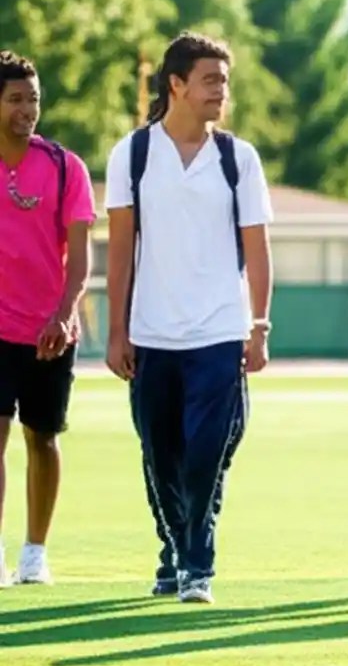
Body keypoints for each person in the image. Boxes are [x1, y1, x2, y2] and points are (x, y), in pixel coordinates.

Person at [104, 32, 274, 604]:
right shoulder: (130, 154)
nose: (220, 91)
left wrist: (260, 325)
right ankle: (174, 549)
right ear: (176, 84)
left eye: (224, 81)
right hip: (152, 333)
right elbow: (122, 249)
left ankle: (196, 562)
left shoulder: (238, 158)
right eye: (210, 80)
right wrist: (116, 329)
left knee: (207, 453)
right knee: (160, 455)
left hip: (220, 331)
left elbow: (258, 248)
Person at [0, 51, 95, 587]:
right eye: (16, 99)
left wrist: (62, 315)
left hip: (49, 330)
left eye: (33, 98)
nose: (28, 109)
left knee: (42, 437)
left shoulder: (64, 166)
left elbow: (79, 256)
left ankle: (35, 553)